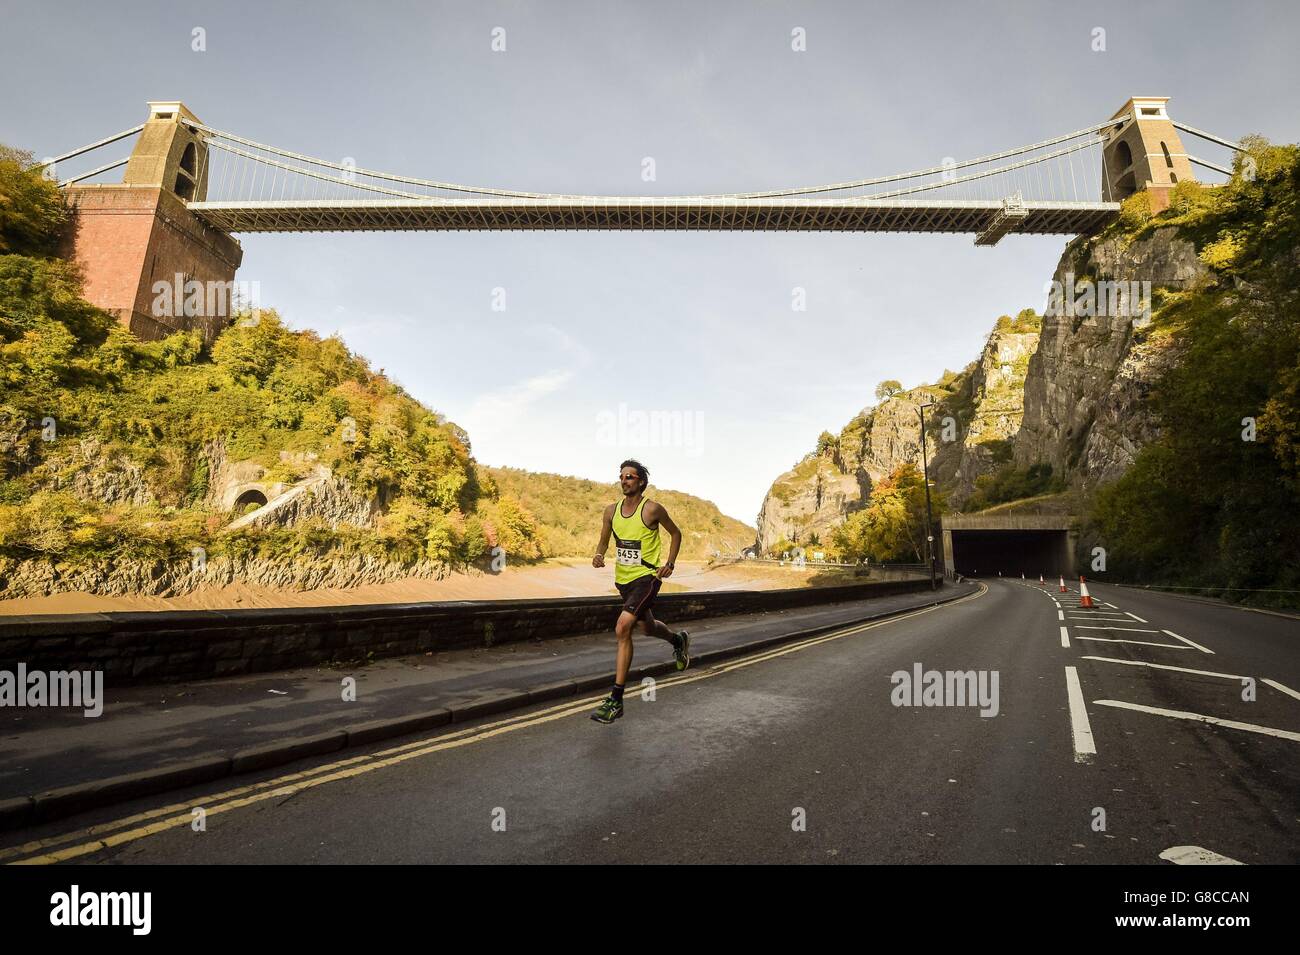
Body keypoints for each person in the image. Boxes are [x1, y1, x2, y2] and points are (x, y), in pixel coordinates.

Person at [589, 459, 689, 724]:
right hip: (623, 580)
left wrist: (669, 564)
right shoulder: (611, 511)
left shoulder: (652, 509)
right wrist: (599, 553)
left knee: (623, 627)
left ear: (641, 481)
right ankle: (677, 641)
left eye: (630, 477)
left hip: (647, 578)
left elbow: (676, 534)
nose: (624, 480)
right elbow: (604, 538)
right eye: (621, 476)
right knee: (647, 627)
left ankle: (616, 699)